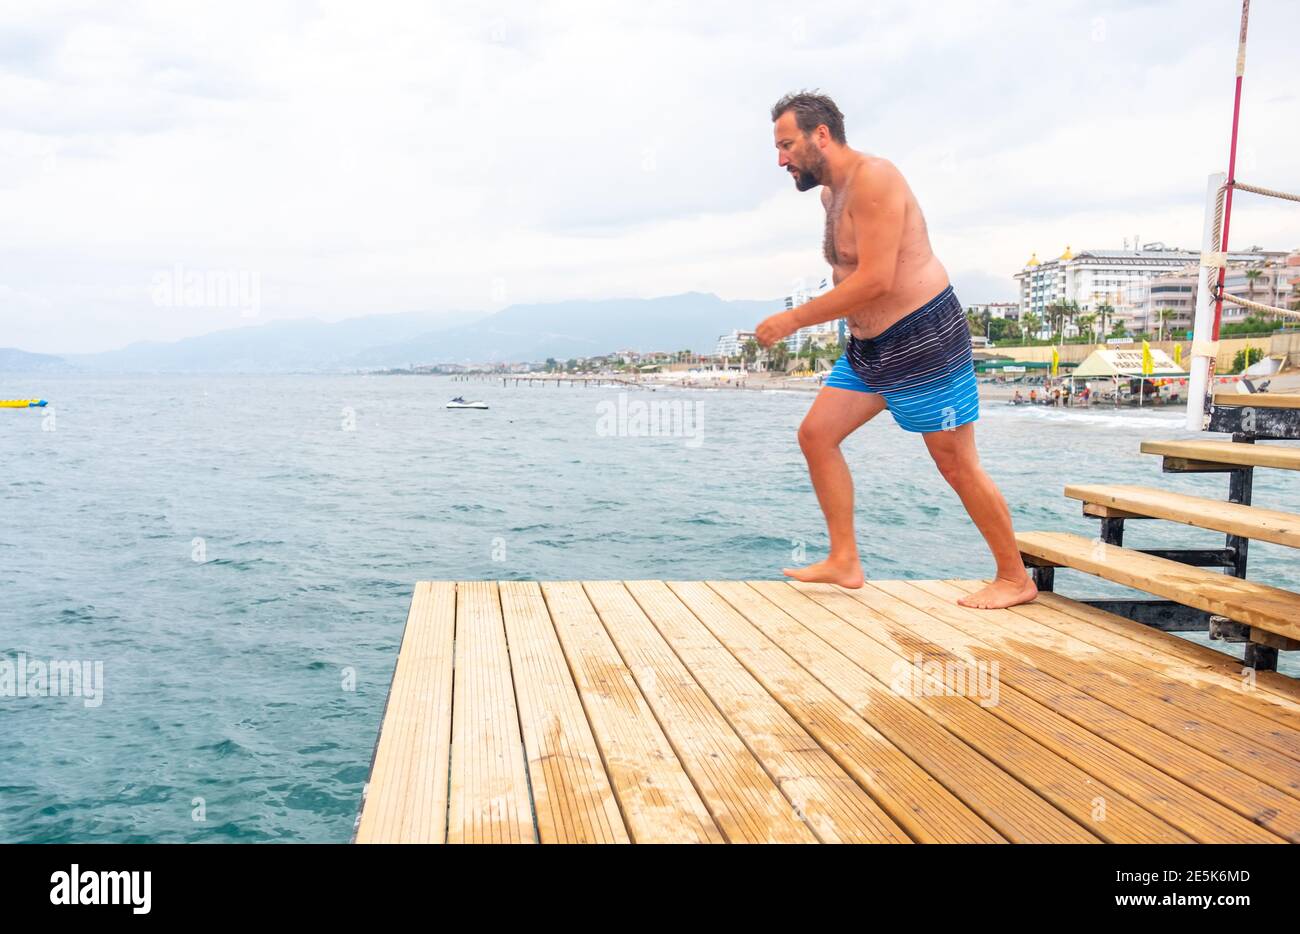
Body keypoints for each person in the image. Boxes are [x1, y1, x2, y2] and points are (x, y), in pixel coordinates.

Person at [755, 91, 1036, 610]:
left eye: (787, 144)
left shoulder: (876, 179)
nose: (781, 159)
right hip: (869, 348)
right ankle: (844, 559)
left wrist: (794, 318)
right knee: (817, 435)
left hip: (923, 337)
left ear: (821, 135)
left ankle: (1014, 577)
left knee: (955, 464)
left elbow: (878, 280)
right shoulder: (829, 196)